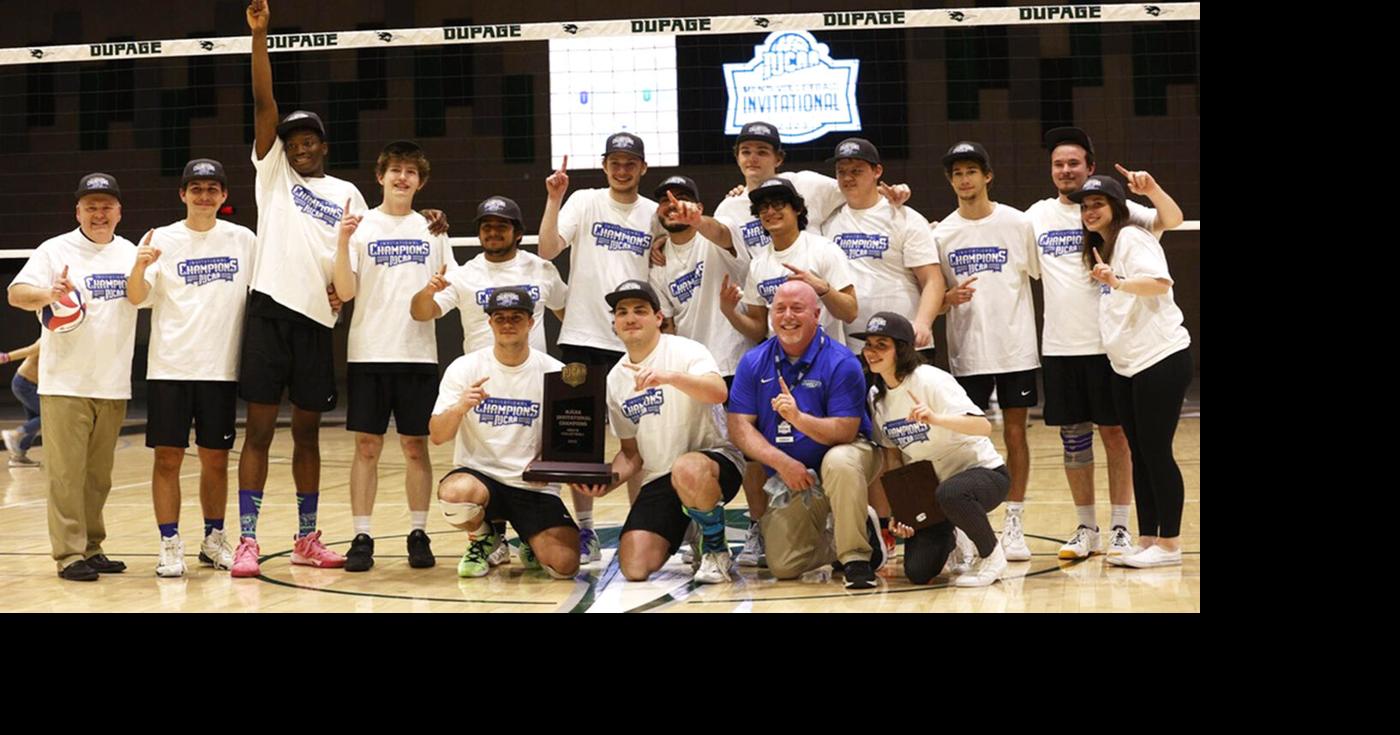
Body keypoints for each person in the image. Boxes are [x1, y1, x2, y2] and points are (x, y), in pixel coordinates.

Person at [235, 0, 368, 576]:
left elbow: (357, 264)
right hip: (268, 313)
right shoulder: (273, 175)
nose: (299, 145)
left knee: (309, 437)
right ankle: (245, 540)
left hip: (318, 321)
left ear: (324, 145)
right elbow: (265, 104)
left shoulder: (347, 193)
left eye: (309, 138)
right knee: (260, 433)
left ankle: (306, 538)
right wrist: (261, 37)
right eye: (292, 140)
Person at [1025, 127, 1183, 560]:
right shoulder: (1035, 216)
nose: (1065, 170)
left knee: (1121, 438)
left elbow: (1169, 221)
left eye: (1073, 162)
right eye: (1058, 163)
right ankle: (1085, 528)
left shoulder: (1119, 214)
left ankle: (1121, 528)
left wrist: (1151, 190)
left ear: (1089, 167)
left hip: (1112, 350)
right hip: (1060, 347)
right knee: (1073, 440)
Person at [7, 172, 139, 581]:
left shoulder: (132, 252)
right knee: (66, 474)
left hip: (113, 381)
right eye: (90, 206)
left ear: (119, 211)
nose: (99, 213)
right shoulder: (55, 249)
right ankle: (68, 555)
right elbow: (15, 294)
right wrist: (49, 295)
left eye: (106, 206)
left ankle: (93, 547)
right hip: (65, 383)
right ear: (77, 211)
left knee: (98, 477)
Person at [125, 158, 254, 577]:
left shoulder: (243, 240)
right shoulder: (160, 238)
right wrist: (140, 266)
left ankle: (214, 539)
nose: (203, 195)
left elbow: (275, 281)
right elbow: (135, 296)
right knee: (168, 459)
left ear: (224, 195)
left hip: (220, 369)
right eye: (195, 189)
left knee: (216, 460)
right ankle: (169, 543)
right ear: (182, 194)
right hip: (170, 368)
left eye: (211, 188)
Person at [331, 140, 455, 572]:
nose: (402, 178)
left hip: (418, 354)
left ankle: (418, 533)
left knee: (415, 448)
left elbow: (451, 285)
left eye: (411, 172)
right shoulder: (361, 227)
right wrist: (343, 239)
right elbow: (344, 292)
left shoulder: (433, 230)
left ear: (420, 183)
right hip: (368, 352)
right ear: (380, 177)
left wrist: (434, 301)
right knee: (366, 447)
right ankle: (361, 536)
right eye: (395, 170)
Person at [571, 281, 742, 584]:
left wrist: (670, 377)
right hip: (661, 477)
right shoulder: (616, 380)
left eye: (640, 310)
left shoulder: (687, 350)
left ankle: (715, 547)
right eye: (622, 312)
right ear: (615, 324)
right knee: (634, 567)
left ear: (658, 318)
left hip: (713, 463)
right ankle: (690, 524)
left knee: (686, 468)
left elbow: (718, 392)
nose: (630, 318)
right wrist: (604, 482)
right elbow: (631, 454)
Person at [538, 132, 658, 562]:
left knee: (640, 443)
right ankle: (585, 530)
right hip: (582, 339)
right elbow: (549, 249)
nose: (622, 169)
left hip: (636, 344)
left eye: (631, 162)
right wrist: (554, 198)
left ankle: (642, 525)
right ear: (605, 164)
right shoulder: (585, 201)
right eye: (615, 162)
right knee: (578, 443)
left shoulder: (654, 213)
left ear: (643, 168)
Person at [726, 280, 886, 589]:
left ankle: (856, 559)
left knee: (839, 461)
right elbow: (738, 426)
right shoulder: (753, 362)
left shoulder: (842, 362)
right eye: (780, 308)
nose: (787, 316)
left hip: (848, 457)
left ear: (817, 314)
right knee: (784, 566)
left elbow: (845, 431)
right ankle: (855, 531)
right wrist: (781, 462)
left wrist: (798, 419)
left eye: (797, 308)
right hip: (793, 474)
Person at [1075, 175, 1193, 569]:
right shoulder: (1102, 245)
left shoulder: (1131, 237)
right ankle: (1147, 540)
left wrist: (1118, 281)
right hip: (1126, 366)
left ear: (1116, 206)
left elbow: (1160, 283)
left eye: (1098, 204)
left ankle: (1170, 544)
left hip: (1159, 358)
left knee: (1156, 452)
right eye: (1085, 206)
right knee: (1140, 454)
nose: (1090, 211)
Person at [932, 141, 1040, 563]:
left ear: (988, 176)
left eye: (971, 171)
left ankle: (1014, 522)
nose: (964, 179)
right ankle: (965, 529)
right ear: (950, 180)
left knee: (1016, 435)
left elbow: (1040, 273)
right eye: (957, 173)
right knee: (963, 443)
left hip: (1015, 349)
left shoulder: (1018, 223)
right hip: (967, 352)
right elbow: (934, 297)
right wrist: (946, 300)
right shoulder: (941, 233)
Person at [429, 288, 579, 580]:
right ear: (490, 323)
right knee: (455, 494)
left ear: (531, 322)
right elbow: (437, 435)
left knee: (565, 566)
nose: (507, 323)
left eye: (516, 317)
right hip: (481, 478)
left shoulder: (555, 373)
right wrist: (460, 407)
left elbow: (569, 440)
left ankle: (527, 537)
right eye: (500, 318)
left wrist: (547, 463)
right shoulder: (465, 368)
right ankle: (485, 536)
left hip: (531, 484)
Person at [856, 312, 1011, 587]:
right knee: (918, 571)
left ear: (901, 350)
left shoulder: (930, 380)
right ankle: (955, 535)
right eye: (869, 344)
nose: (872, 352)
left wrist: (936, 418)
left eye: (882, 345)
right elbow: (893, 456)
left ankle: (992, 557)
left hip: (983, 475)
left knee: (952, 493)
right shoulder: (876, 397)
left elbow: (983, 427)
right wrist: (902, 510)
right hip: (933, 494)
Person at [821, 138, 944, 357]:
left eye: (857, 171)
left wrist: (923, 323)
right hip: (852, 348)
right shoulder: (827, 222)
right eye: (841, 172)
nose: (848, 178)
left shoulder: (905, 217)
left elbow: (932, 280)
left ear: (877, 171)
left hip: (905, 344)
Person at [646, 176, 750, 379]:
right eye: (665, 201)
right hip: (695, 371)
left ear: (699, 207)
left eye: (682, 198)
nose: (673, 204)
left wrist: (697, 220)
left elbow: (720, 233)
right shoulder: (658, 264)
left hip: (736, 364)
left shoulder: (720, 231)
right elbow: (668, 328)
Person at [1, 339, 41, 468]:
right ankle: (15, 434)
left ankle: (18, 457)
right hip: (25, 383)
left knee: (35, 421)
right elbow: (30, 350)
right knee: (47, 417)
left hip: (31, 385)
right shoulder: (53, 336)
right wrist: (6, 357)